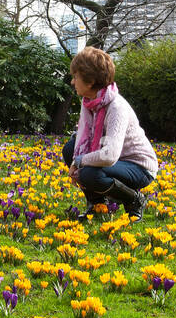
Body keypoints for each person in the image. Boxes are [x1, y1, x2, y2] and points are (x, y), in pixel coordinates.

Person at [62, 44, 159, 221]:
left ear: (90, 81)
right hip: (115, 161)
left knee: (88, 172)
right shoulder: (89, 102)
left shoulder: (116, 107)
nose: (72, 82)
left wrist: (79, 161)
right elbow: (82, 142)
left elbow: (109, 156)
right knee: (70, 149)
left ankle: (134, 199)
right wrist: (77, 157)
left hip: (138, 167)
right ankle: (98, 204)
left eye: (75, 77)